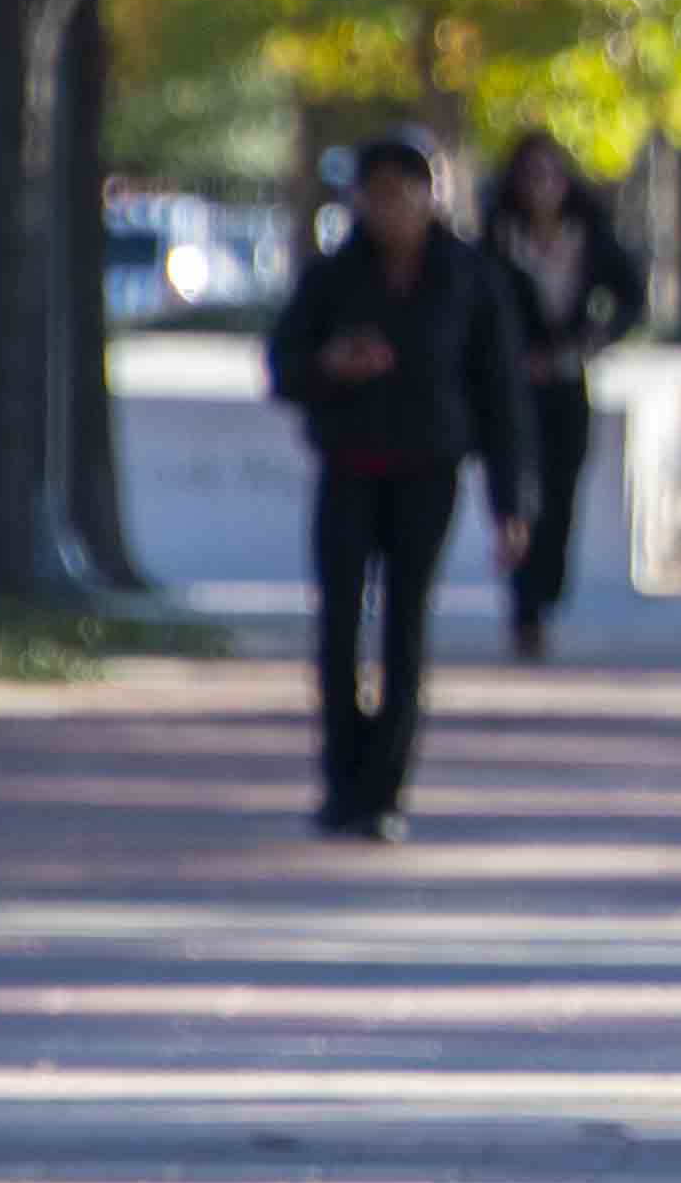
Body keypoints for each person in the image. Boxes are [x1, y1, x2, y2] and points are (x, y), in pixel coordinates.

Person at [262, 133, 527, 839]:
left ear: (429, 197)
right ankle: (340, 781)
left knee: (406, 628)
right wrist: (331, 365)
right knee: (340, 625)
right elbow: (283, 366)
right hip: (348, 469)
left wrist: (511, 503)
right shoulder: (332, 276)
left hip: (427, 474)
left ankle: (385, 790)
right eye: (375, 194)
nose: (390, 209)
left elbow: (500, 395)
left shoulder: (469, 277)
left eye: (404, 193)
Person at [483, 130, 649, 662]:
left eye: (550, 175)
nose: (541, 187)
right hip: (511, 393)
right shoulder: (498, 237)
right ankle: (524, 609)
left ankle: (544, 593)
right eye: (531, 175)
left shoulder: (589, 234)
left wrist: (593, 339)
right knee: (517, 498)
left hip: (566, 385)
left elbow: (630, 294)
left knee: (560, 494)